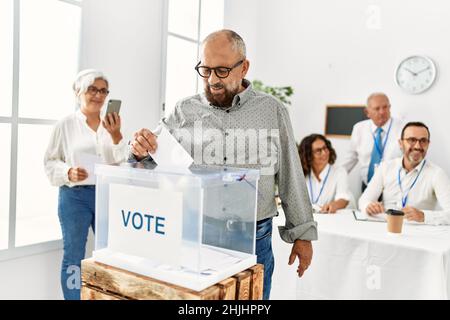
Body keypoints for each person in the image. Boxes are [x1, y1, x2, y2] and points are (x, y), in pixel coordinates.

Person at [129, 29, 317, 300]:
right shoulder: (184, 110)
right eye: (205, 70)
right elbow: (148, 157)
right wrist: (139, 148)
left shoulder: (272, 111)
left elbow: (290, 173)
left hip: (254, 238)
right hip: (197, 234)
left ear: (244, 67)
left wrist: (302, 233)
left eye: (222, 70)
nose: (213, 80)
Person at [44, 69, 127, 300]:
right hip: (74, 197)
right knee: (74, 256)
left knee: (110, 253)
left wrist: (117, 134)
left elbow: (122, 161)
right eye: (93, 89)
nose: (98, 95)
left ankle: (105, 296)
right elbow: (50, 162)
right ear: (78, 92)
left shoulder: (111, 124)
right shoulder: (66, 125)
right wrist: (68, 172)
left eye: (103, 91)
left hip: (105, 194)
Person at [358, 122, 450, 225]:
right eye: (412, 140)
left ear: (428, 144)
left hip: (418, 236)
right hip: (385, 229)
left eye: (423, 141)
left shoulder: (437, 174)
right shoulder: (385, 167)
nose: (417, 146)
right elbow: (363, 200)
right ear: (400, 144)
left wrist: (423, 216)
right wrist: (368, 206)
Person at [341, 93, 404, 191]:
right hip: (367, 186)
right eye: (377, 108)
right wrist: (333, 178)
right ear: (367, 112)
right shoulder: (359, 128)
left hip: (394, 187)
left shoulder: (403, 128)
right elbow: (350, 158)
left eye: (385, 107)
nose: (382, 112)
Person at [298, 134, 354, 213]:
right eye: (318, 150)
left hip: (331, 219)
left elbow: (343, 198)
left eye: (325, 148)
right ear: (308, 155)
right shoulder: (303, 174)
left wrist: (334, 205)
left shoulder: (339, 172)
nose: (324, 153)